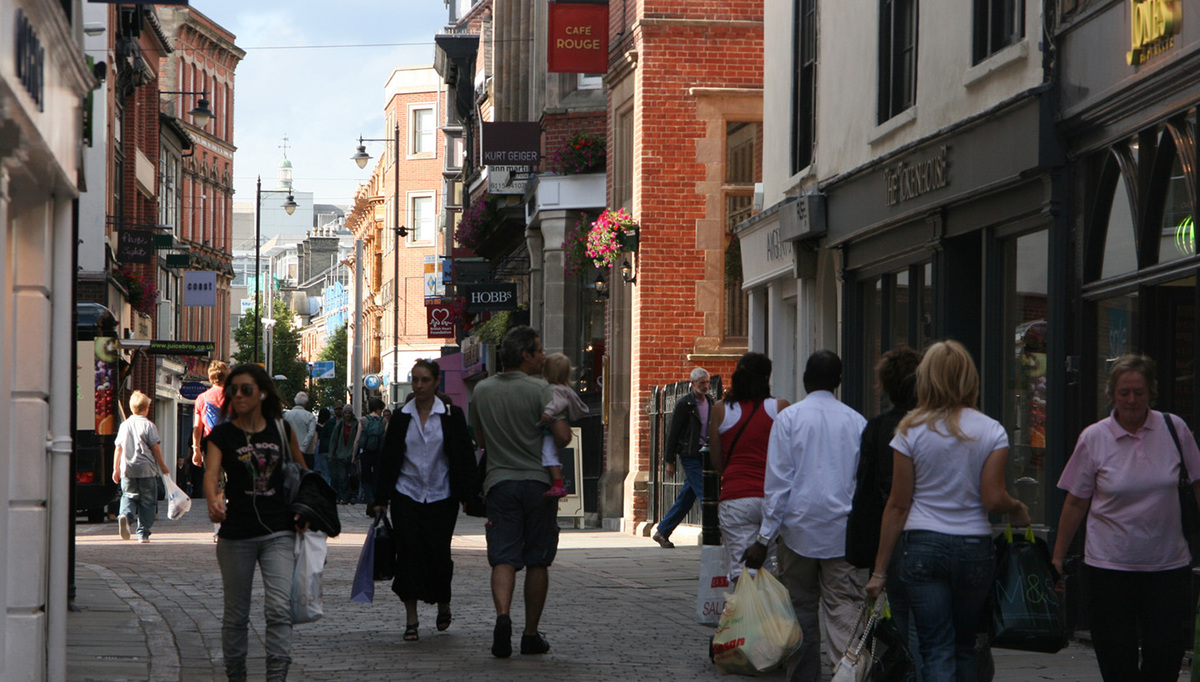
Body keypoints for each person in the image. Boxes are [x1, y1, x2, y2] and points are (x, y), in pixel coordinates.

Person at [865, 340, 1030, 682]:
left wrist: (879, 571)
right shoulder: (991, 430)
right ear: (970, 378)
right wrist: (1016, 508)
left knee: (935, 647)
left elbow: (898, 505)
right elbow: (993, 498)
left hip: (922, 546)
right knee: (965, 644)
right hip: (974, 547)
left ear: (926, 378)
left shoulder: (909, 430)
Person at [1052, 354, 1200, 681]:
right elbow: (1076, 502)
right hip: (1109, 568)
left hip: (1166, 566)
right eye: (1124, 393)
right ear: (1112, 394)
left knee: (1166, 652)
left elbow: (1198, 483)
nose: (1132, 400)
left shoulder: (1174, 429)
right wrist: (1057, 557)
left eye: (1139, 392)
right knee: (1116, 657)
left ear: (1151, 393)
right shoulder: (1094, 437)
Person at [743, 350, 867, 682]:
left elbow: (778, 484)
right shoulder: (857, 422)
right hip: (841, 533)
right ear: (838, 381)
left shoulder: (789, 419)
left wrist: (764, 538)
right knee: (844, 608)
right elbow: (861, 484)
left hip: (797, 531)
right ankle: (846, 671)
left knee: (799, 610)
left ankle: (803, 676)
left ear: (805, 379)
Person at [469, 326, 570, 658]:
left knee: (503, 557)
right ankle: (530, 634)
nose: (543, 356)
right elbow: (563, 436)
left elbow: (480, 440)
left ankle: (502, 616)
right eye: (538, 351)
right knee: (537, 560)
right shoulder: (541, 389)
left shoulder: (482, 390)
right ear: (526, 355)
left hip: (499, 483)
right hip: (538, 483)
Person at [204, 363, 306, 682]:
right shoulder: (222, 435)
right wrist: (213, 500)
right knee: (236, 615)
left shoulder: (281, 430)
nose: (238, 395)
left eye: (246, 389)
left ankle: (277, 676)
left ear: (261, 393)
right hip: (236, 534)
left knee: (278, 608)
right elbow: (211, 474)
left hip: (279, 531)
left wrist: (304, 509)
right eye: (232, 390)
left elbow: (303, 474)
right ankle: (236, 676)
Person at [373, 359, 478, 642]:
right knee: (408, 555)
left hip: (442, 495)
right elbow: (388, 458)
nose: (419, 385)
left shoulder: (451, 415)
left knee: (439, 555)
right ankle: (412, 619)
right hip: (407, 494)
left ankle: (443, 602)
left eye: (425, 380)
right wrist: (380, 498)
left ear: (436, 382)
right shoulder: (400, 417)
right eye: (415, 380)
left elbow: (463, 456)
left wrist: (468, 495)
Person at [708, 352, 789, 582]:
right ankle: (766, 605)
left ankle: (745, 604)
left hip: (736, 497)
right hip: (772, 498)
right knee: (769, 569)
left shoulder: (720, 409)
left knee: (741, 570)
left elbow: (717, 461)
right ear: (766, 378)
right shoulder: (780, 407)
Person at [845, 346, 920, 569]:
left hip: (885, 529)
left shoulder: (877, 427)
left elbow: (865, 485)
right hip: (924, 529)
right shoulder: (932, 426)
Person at [653, 367, 713, 549]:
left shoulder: (711, 401)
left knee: (687, 497)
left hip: (706, 454)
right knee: (706, 494)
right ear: (692, 383)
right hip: (690, 454)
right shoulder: (684, 404)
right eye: (701, 383)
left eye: (707, 382)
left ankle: (662, 532)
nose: (705, 386)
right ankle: (714, 533)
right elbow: (673, 433)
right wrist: (669, 460)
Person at [111, 390, 171, 543]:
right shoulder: (149, 426)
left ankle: (125, 516)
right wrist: (163, 466)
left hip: (127, 469)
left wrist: (115, 469)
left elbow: (118, 448)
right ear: (147, 408)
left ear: (131, 408)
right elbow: (155, 448)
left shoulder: (124, 426)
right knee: (148, 501)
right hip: (146, 470)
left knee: (128, 496)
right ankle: (143, 533)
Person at [538, 352, 588, 498]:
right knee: (551, 452)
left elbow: (557, 404)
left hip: (550, 427)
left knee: (548, 454)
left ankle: (558, 483)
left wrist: (547, 413)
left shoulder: (555, 390)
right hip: (556, 425)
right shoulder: (565, 389)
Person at [192, 360, 230, 467]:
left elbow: (197, 428)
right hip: (232, 445)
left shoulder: (202, 398)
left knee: (212, 476)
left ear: (210, 377)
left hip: (211, 445)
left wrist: (196, 449)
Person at [358, 398, 387, 504]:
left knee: (365, 477)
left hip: (366, 452)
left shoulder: (363, 420)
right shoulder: (384, 421)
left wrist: (354, 455)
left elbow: (357, 439)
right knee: (377, 476)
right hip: (379, 453)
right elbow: (386, 439)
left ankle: (368, 498)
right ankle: (376, 498)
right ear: (379, 409)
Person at [328, 404, 359, 504]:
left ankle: (352, 496)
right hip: (340, 454)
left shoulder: (356, 424)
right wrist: (331, 454)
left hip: (352, 454)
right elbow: (334, 440)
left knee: (353, 477)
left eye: (349, 413)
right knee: (342, 477)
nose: (347, 415)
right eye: (345, 413)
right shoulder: (339, 425)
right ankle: (344, 497)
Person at [283, 392, 318, 470]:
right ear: (306, 403)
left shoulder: (286, 415)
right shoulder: (310, 416)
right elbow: (311, 434)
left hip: (290, 451)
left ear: (295, 401)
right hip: (307, 453)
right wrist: (303, 448)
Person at [314, 407, 333, 482]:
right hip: (330, 448)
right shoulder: (330, 425)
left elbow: (315, 440)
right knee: (330, 472)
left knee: (323, 471)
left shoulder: (317, 427)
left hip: (320, 449)